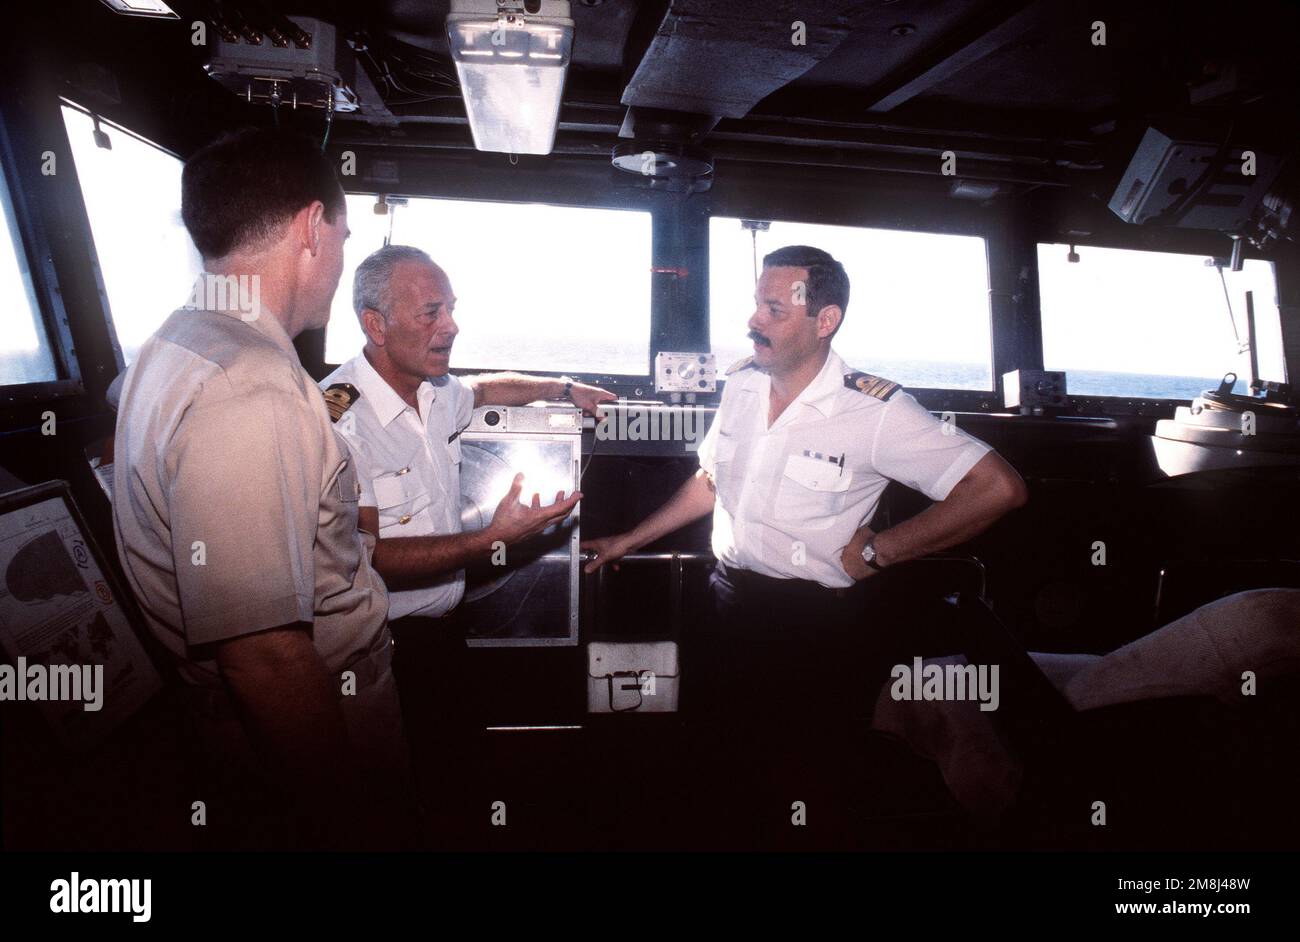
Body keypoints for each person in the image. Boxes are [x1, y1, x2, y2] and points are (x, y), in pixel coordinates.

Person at [581, 244, 1028, 828]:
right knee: (725, 753)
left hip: (815, 624)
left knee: (806, 773)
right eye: (756, 306)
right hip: (727, 600)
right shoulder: (742, 384)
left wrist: (880, 551)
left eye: (773, 309)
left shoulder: (876, 411)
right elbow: (712, 480)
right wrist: (628, 540)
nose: (752, 323)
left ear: (825, 321)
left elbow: (998, 488)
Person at [112, 128, 404, 848]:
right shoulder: (252, 385)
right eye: (340, 234)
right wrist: (348, 821)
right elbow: (265, 654)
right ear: (312, 227)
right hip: (311, 724)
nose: (340, 260)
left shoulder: (173, 344)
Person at [319, 244, 615, 834]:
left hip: (443, 633)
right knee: (392, 792)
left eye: (450, 309)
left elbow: (483, 390)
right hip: (381, 646)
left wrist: (564, 389)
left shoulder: (433, 391)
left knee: (452, 770)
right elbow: (367, 559)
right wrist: (492, 540)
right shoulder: (338, 422)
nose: (450, 326)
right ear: (375, 325)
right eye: (431, 312)